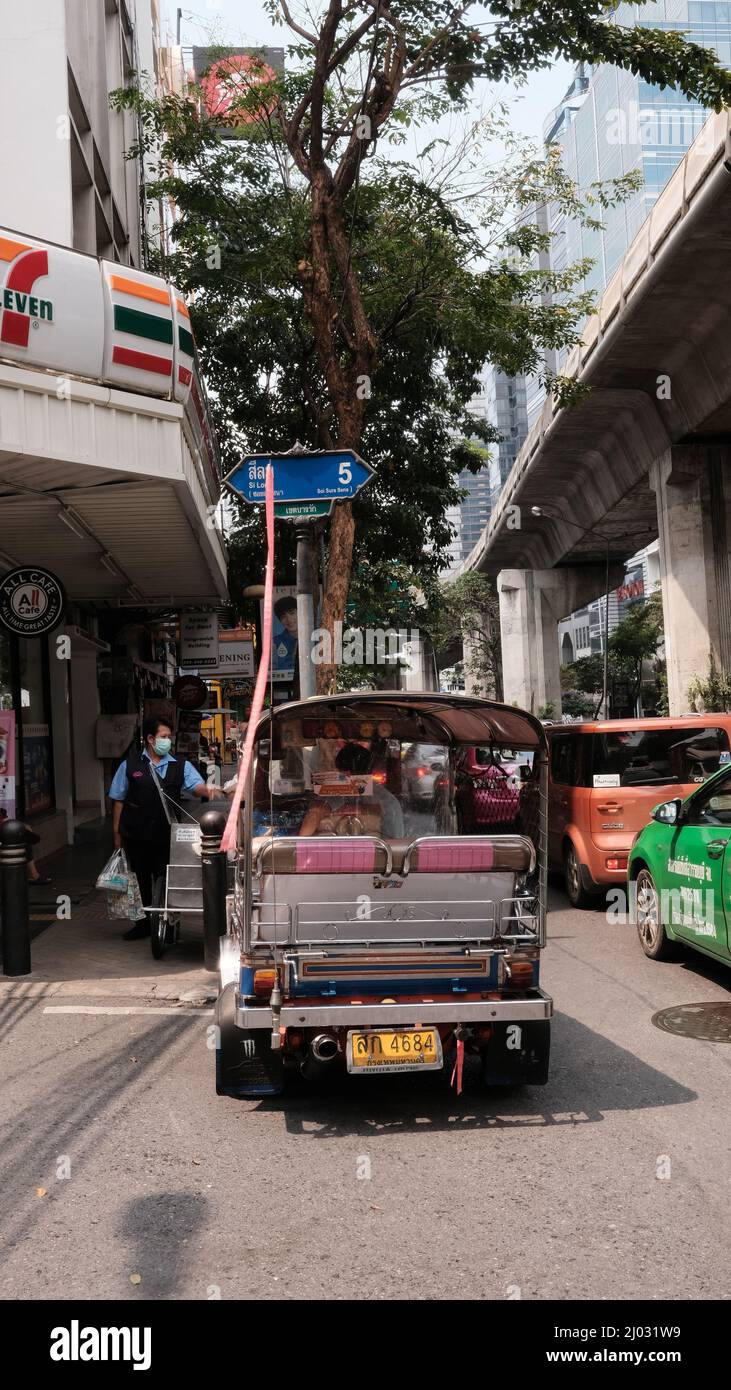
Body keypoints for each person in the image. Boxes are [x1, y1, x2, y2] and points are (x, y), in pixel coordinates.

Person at [109, 717, 227, 940]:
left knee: (167, 878)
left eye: (169, 737)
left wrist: (212, 790)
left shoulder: (179, 765)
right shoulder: (130, 765)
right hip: (136, 833)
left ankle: (168, 922)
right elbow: (118, 799)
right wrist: (117, 834)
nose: (167, 741)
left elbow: (196, 786)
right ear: (150, 739)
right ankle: (142, 924)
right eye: (163, 737)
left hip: (166, 834)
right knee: (140, 878)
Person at [299, 742, 404, 838]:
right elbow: (397, 839)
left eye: (339, 772)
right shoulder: (388, 800)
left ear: (346, 773)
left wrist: (297, 844)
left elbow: (315, 814)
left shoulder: (337, 793)